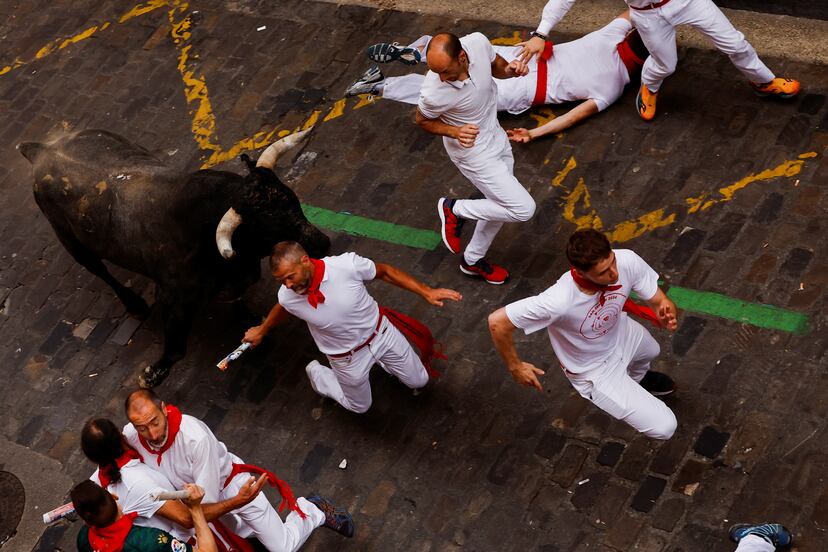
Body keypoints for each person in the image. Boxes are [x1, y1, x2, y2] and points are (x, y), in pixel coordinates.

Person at [351, 32, 533, 284]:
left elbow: (496, 66)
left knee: (501, 205)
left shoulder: (478, 43)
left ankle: (472, 261)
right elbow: (423, 120)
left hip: (496, 135)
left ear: (462, 56)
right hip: (473, 153)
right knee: (522, 209)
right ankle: (454, 210)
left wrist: (511, 70)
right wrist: (455, 131)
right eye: (436, 72)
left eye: (446, 71)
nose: (442, 78)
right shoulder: (434, 91)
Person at [488, 229, 679, 440]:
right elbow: (497, 322)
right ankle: (627, 391)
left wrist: (663, 306)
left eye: (612, 262)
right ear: (580, 272)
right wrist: (515, 366)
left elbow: (657, 300)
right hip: (594, 370)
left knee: (652, 350)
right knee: (665, 427)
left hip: (620, 333)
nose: (614, 273)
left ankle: (638, 379)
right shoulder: (558, 302)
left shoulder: (626, 260)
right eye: (603, 272)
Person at [347, 11, 649, 141]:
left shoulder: (611, 35)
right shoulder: (614, 86)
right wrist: (533, 133)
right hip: (524, 90)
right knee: (450, 91)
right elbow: (570, 118)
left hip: (523, 56)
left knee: (460, 52)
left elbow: (635, 12)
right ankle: (381, 85)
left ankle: (421, 50)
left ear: (632, 35)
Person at [243, 241, 462, 413]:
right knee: (360, 406)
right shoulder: (288, 295)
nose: (288, 285)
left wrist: (426, 291)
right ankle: (319, 375)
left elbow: (384, 272)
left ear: (305, 261)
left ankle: (385, 362)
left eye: (290, 277)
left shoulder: (346, 265)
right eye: (281, 281)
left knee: (420, 380)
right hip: (345, 358)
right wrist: (262, 330)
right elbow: (283, 307)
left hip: (381, 334)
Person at [123, 389, 354, 551]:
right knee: (245, 534)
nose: (152, 434)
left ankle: (312, 509)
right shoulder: (131, 435)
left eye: (155, 422)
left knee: (283, 547)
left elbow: (204, 504)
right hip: (201, 503)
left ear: (164, 409)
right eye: (142, 428)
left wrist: (235, 503)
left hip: (232, 489)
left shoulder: (195, 439)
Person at [516, 0, 800, 120]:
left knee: (735, 43)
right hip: (647, 15)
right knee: (666, 64)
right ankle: (649, 86)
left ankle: (764, 82)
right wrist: (541, 31)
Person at [81, 417, 266, 543]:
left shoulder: (97, 480)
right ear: (120, 438)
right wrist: (237, 501)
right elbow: (187, 519)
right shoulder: (138, 483)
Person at [73, 479, 216, 552]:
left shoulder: (83, 539)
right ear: (114, 496)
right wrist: (195, 508)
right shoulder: (150, 542)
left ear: (85, 520)